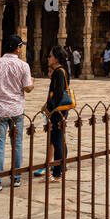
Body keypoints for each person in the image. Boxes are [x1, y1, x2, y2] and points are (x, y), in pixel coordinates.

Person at [0, 34, 34, 192]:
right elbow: (28, 88)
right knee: (17, 144)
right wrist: (33, 83)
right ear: (18, 48)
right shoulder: (23, 66)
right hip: (17, 110)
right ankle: (16, 178)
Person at [35, 45, 75, 181]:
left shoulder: (59, 72)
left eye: (50, 56)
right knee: (59, 139)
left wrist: (48, 108)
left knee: (57, 140)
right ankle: (61, 167)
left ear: (56, 58)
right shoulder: (62, 70)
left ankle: (57, 174)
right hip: (61, 110)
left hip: (58, 111)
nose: (48, 58)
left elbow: (57, 94)